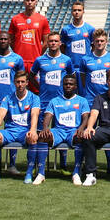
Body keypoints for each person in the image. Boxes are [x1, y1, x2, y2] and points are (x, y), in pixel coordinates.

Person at [0, 70, 44, 184]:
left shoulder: (34, 98)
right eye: (18, 82)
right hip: (10, 131)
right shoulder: (8, 98)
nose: (20, 84)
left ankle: (28, 173)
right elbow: (1, 114)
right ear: (14, 82)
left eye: (23, 82)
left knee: (33, 137)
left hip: (24, 132)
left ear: (27, 82)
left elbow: (34, 114)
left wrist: (33, 130)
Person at [80, 29, 110, 173]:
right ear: (93, 42)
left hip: (107, 101)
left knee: (107, 130)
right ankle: (85, 164)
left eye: (102, 41)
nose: (99, 43)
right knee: (87, 132)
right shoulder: (85, 59)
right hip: (90, 100)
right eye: (97, 41)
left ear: (106, 42)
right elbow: (83, 79)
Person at [33, 31, 77, 170]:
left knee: (62, 130)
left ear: (60, 43)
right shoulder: (40, 60)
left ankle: (63, 164)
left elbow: (72, 78)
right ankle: (39, 164)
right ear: (47, 43)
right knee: (42, 133)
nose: (53, 43)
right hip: (44, 102)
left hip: (61, 103)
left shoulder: (66, 60)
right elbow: (32, 76)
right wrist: (40, 88)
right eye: (50, 41)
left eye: (55, 41)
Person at [0, 30, 26, 173]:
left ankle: (12, 164)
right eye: (0, 39)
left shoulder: (17, 59)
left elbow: (20, 77)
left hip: (11, 99)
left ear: (10, 41)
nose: (2, 41)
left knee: (11, 128)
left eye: (5, 39)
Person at [40, 72, 92, 185]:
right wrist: (45, 128)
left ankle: (76, 172)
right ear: (62, 86)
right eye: (66, 84)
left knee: (80, 138)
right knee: (43, 137)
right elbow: (48, 116)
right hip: (58, 131)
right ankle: (41, 173)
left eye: (71, 84)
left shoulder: (82, 101)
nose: (68, 86)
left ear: (75, 86)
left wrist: (82, 128)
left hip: (73, 130)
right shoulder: (54, 101)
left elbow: (86, 117)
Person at [7, 0, 51, 75]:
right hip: (19, 60)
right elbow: (10, 40)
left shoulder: (42, 19)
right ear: (24, 2)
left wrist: (38, 54)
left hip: (35, 60)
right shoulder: (16, 19)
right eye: (27, 0)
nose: (29, 2)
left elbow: (46, 42)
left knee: (35, 87)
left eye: (32, 0)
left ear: (36, 2)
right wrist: (17, 53)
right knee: (19, 86)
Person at [60, 0, 96, 72]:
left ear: (83, 11)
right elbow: (62, 47)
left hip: (85, 66)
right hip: (70, 66)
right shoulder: (65, 29)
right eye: (74, 10)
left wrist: (89, 59)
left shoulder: (90, 29)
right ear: (71, 12)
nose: (77, 12)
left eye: (79, 10)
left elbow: (94, 47)